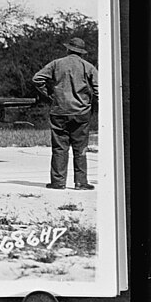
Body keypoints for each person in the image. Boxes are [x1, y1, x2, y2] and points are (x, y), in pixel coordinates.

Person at [32, 37, 98, 190]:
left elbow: (37, 79)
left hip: (59, 110)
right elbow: (98, 89)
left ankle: (58, 182)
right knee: (80, 148)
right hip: (81, 112)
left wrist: (49, 94)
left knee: (59, 147)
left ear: (68, 49)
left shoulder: (56, 64)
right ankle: (81, 182)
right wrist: (92, 104)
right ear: (82, 52)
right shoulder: (88, 67)